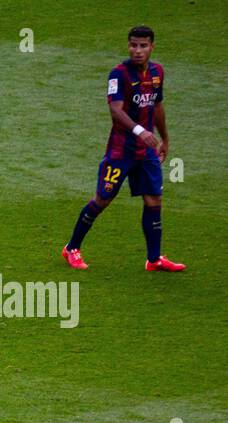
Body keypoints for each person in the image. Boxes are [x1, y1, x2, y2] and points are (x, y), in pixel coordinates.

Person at [63, 25, 184, 272]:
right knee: (103, 199)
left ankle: (154, 259)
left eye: (143, 46)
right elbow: (115, 111)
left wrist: (165, 139)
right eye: (133, 45)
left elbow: (157, 106)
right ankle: (71, 248)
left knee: (154, 200)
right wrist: (141, 131)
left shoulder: (157, 72)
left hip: (147, 153)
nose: (137, 51)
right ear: (128, 45)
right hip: (121, 152)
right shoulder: (118, 74)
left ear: (152, 46)